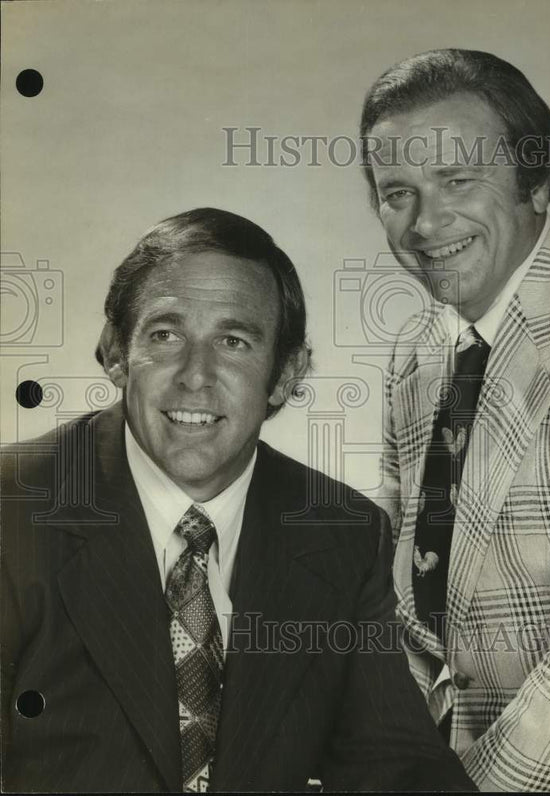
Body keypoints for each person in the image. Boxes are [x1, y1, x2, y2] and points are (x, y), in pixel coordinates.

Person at [0, 208, 474, 792]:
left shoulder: (343, 532)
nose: (195, 376)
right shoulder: (12, 509)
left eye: (234, 340)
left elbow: (396, 769)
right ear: (116, 353)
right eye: (166, 335)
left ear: (284, 374)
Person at [359, 48, 550, 791]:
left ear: (534, 181)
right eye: (396, 191)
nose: (425, 223)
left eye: (457, 180)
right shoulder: (421, 350)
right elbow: (400, 594)